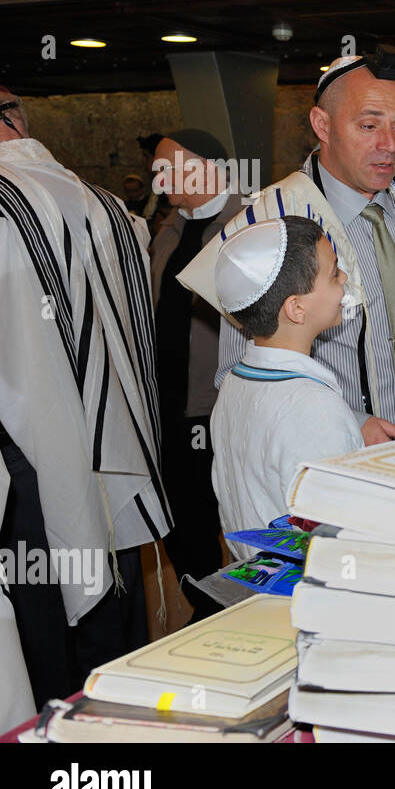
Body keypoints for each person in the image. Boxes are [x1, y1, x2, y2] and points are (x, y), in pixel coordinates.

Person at [178, 45, 395, 445]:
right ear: (322, 126)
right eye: (368, 126)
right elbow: (241, 369)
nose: (389, 146)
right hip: (327, 451)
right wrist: (351, 422)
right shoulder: (269, 224)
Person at [0, 85, 171, 709]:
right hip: (115, 449)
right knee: (111, 632)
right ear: (19, 120)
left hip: (24, 467)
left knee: (41, 642)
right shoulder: (108, 207)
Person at [209, 218, 363, 560]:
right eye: (334, 273)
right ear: (297, 308)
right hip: (306, 595)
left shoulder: (235, 382)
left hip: (257, 579)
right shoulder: (313, 407)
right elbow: (337, 535)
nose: (345, 280)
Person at [148, 129, 243, 582]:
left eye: (169, 169)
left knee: (228, 510)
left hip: (217, 402)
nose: (160, 182)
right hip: (167, 399)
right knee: (178, 512)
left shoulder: (249, 225)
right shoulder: (167, 230)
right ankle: (201, 594)